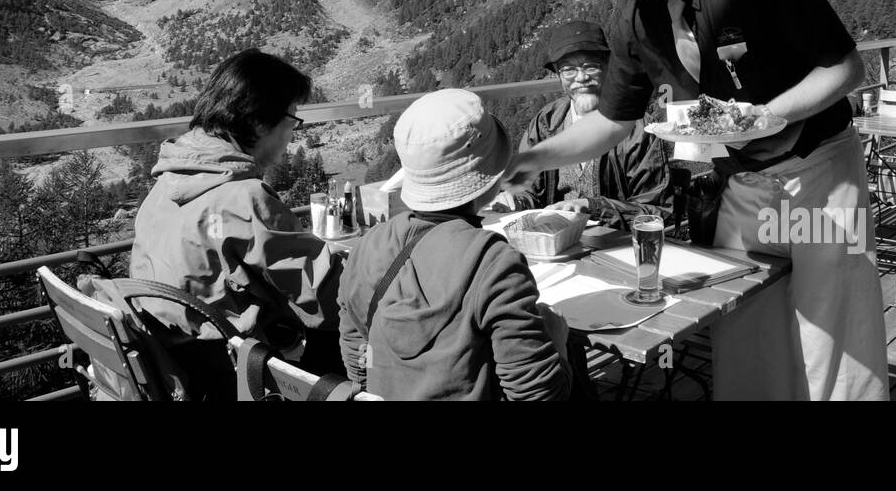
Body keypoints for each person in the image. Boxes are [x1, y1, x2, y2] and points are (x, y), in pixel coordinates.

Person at [502, 0, 888, 401]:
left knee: (833, 327)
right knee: (746, 321)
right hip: (743, 181)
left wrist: (768, 115)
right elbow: (614, 121)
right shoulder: (635, 16)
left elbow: (845, 68)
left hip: (819, 169)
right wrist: (527, 159)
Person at [130, 48, 341, 400]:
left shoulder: (166, 184)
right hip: (231, 375)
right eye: (292, 121)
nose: (292, 136)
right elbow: (325, 299)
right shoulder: (244, 198)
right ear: (260, 123)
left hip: (176, 364)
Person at [338, 88, 571, 400]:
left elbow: (358, 358)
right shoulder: (493, 262)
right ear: (489, 175)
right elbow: (537, 395)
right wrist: (558, 343)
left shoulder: (368, 245)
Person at [500, 20, 670, 228]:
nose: (581, 77)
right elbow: (531, 191)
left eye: (591, 66)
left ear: (609, 66)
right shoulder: (546, 123)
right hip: (558, 242)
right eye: (568, 70)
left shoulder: (638, 130)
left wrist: (592, 208)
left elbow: (657, 211)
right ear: (558, 75)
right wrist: (516, 200)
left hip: (617, 246)